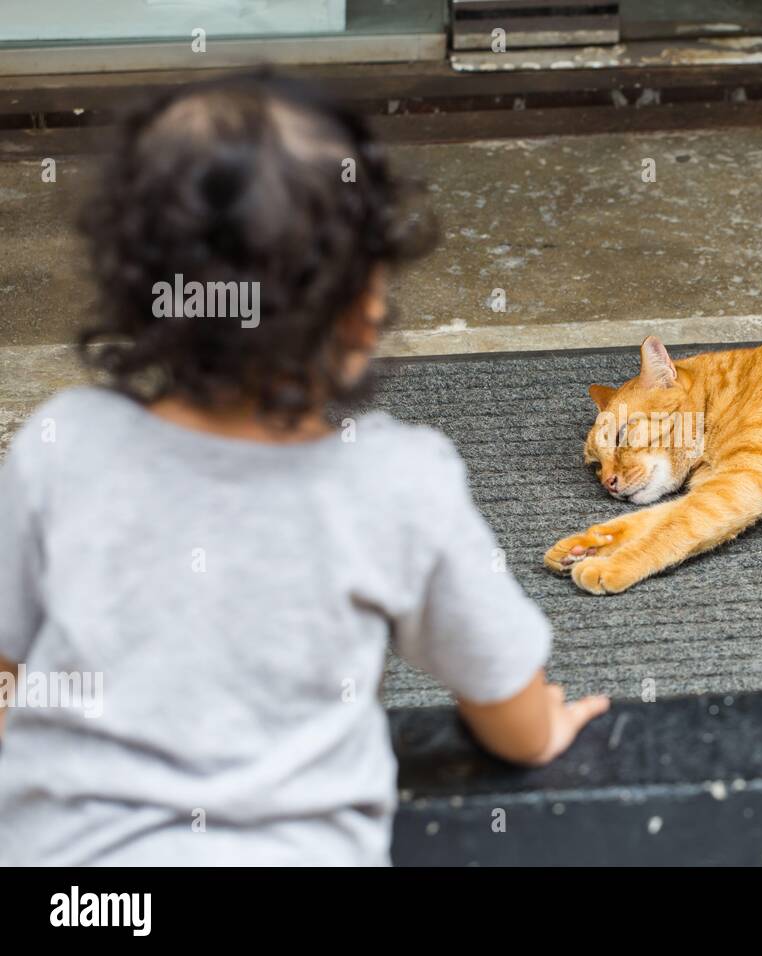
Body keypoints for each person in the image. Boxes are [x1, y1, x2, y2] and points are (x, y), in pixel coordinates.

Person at [0, 73, 607, 866]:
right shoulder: (395, 480)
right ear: (363, 308)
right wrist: (543, 731)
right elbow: (500, 690)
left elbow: (9, 668)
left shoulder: (62, 443)